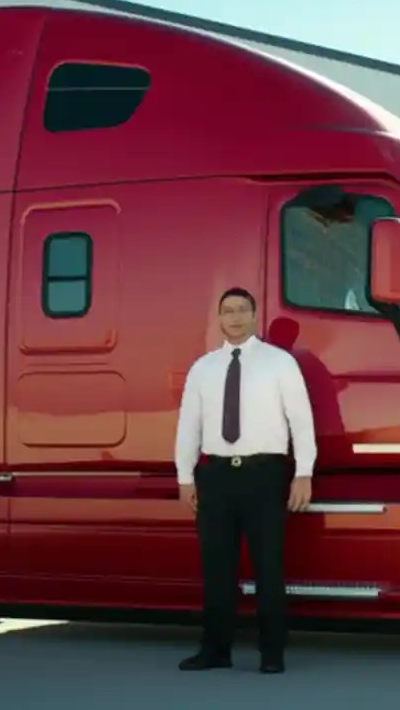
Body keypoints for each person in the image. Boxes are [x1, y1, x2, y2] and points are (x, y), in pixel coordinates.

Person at [174, 286, 316, 674]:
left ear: (254, 316)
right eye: (227, 311)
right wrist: (185, 478)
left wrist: (303, 472)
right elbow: (189, 425)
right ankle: (215, 650)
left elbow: (301, 420)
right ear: (218, 318)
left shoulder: (279, 363)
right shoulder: (203, 368)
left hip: (265, 475)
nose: (234, 317)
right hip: (216, 476)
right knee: (216, 568)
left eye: (242, 310)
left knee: (269, 567)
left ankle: (272, 653)